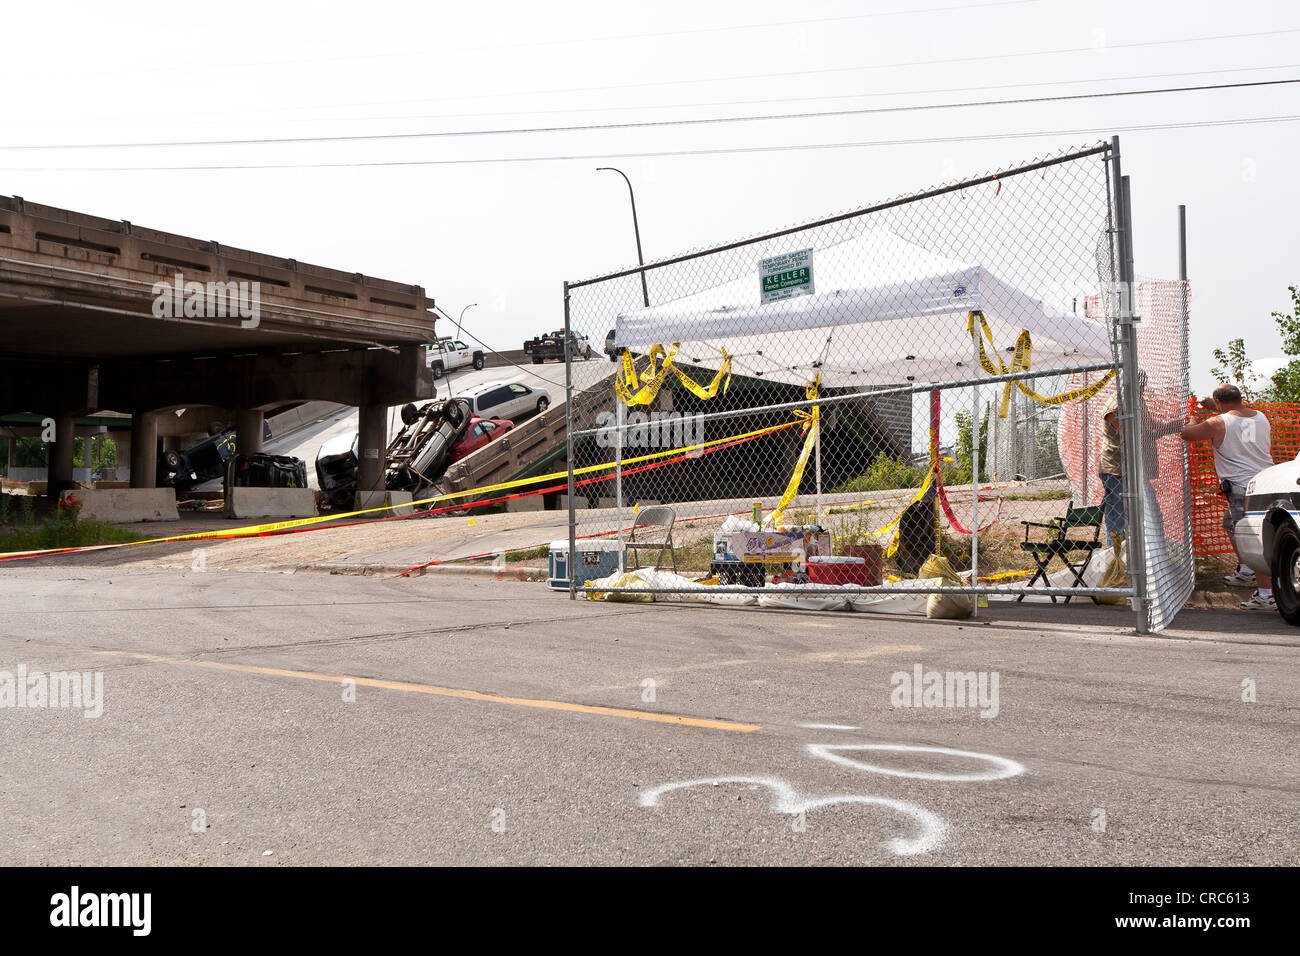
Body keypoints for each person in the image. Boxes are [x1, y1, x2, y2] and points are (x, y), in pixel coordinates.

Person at [1181, 384, 1275, 610]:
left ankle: (1266, 596)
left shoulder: (1218, 422)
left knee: (1254, 538)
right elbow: (1235, 418)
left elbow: (1187, 434)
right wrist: (1217, 406)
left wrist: (1193, 417)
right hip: (1265, 481)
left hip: (1242, 488)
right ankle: (1247, 571)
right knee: (1231, 525)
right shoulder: (1260, 417)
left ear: (1219, 403)